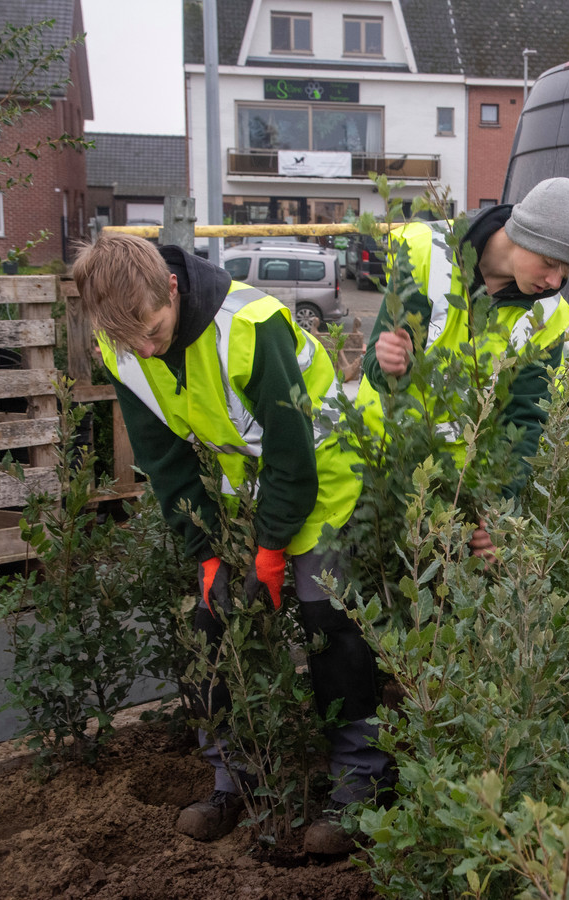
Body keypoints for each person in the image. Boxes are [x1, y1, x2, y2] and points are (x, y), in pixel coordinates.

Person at [71, 233, 391, 855]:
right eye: (124, 339)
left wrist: (270, 552)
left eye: (151, 330)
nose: (142, 347)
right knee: (214, 622)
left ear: (170, 288)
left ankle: (359, 785)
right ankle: (233, 779)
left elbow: (294, 456)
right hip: (248, 489)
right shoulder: (124, 347)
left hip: (321, 476)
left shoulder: (250, 324)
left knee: (328, 621)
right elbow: (164, 461)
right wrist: (207, 554)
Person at [358, 177, 569, 557]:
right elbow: (375, 363)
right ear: (521, 235)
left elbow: (523, 424)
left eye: (568, 273)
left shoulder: (550, 319)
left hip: (455, 501)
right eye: (550, 263)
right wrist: (389, 362)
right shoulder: (428, 253)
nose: (554, 281)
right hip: (378, 469)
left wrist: (496, 511)